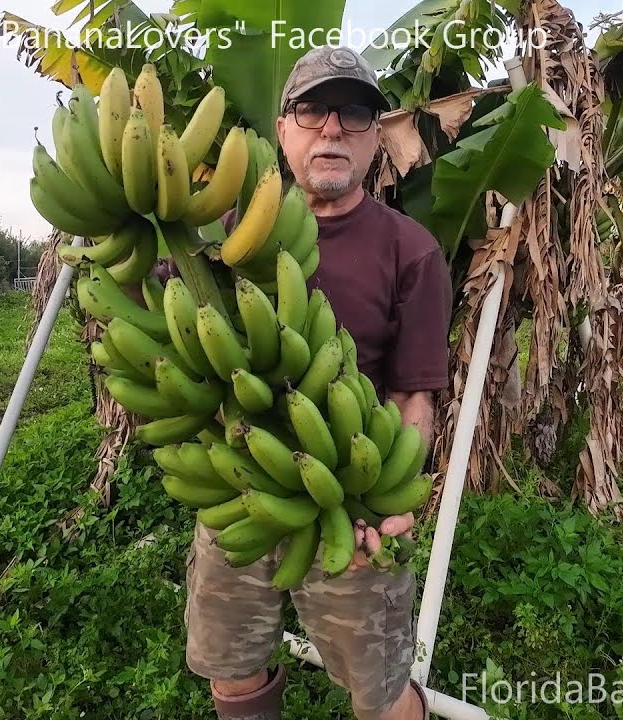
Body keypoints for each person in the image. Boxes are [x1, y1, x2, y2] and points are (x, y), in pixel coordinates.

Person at [183, 45, 453, 720]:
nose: (332, 128)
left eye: (354, 114)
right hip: (239, 486)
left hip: (348, 500)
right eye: (311, 110)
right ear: (283, 130)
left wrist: (389, 499)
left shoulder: (411, 250)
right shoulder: (223, 239)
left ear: (375, 138)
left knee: (378, 694)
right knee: (232, 669)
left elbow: (412, 396)